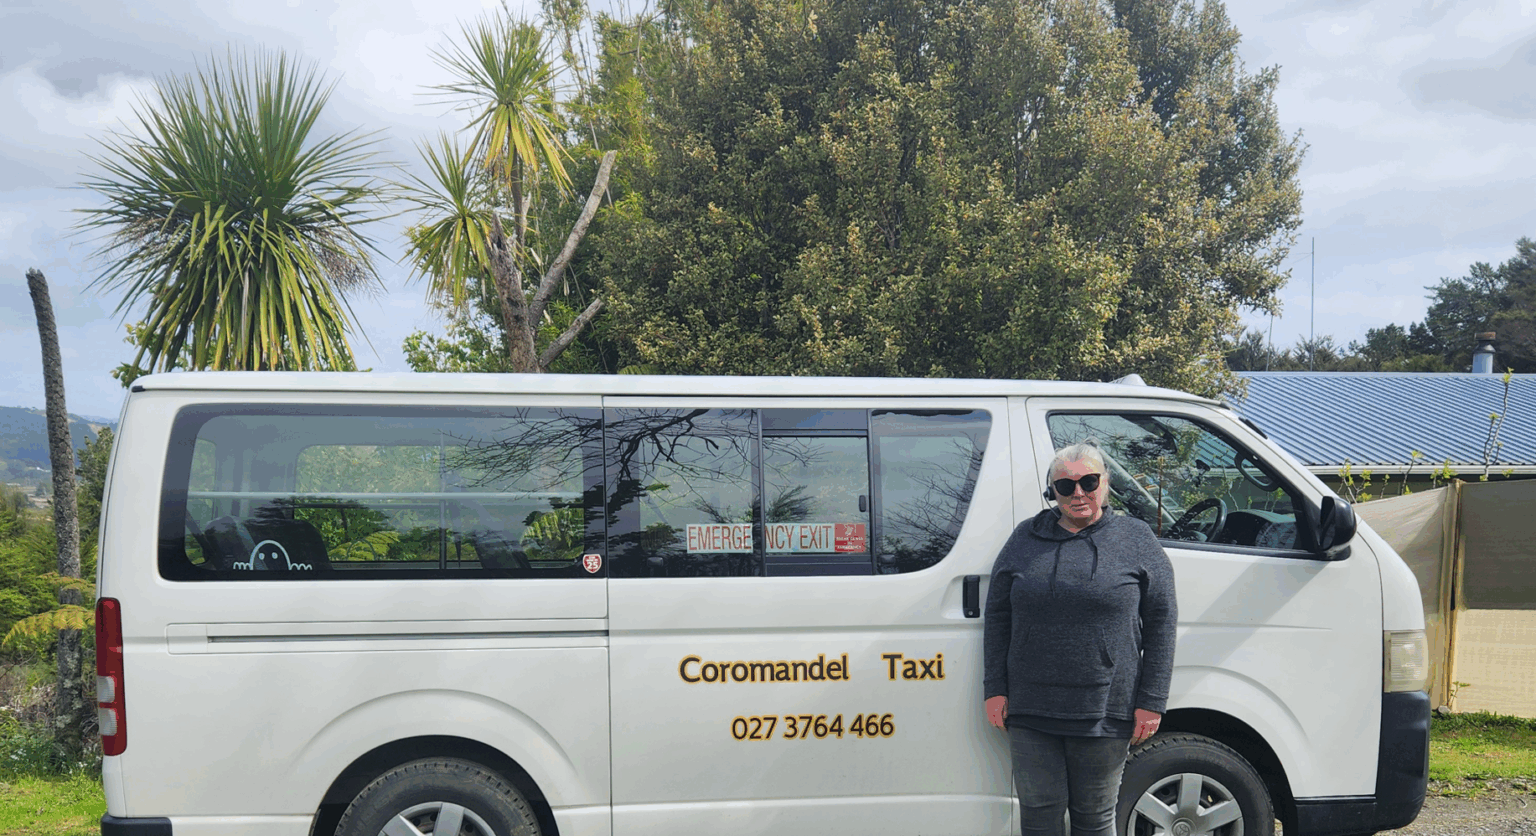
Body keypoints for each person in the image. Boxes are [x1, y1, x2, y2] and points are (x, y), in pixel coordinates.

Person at [983, 442, 1177, 836]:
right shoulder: (1024, 539)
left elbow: (1162, 621)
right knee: (1039, 813)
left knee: (1094, 817)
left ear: (1105, 484)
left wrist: (1152, 700)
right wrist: (994, 688)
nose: (1078, 493)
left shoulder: (1136, 539)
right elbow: (998, 616)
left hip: (1106, 707)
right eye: (1065, 485)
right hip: (1031, 707)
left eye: (1089, 481)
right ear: (1051, 491)